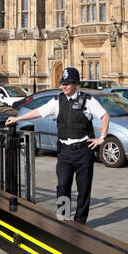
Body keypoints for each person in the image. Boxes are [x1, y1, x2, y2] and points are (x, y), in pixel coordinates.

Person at [7, 67, 109, 225]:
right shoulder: (57, 101)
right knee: (63, 186)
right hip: (65, 151)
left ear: (76, 84)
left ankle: (80, 223)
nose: (64, 86)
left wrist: (101, 138)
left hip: (83, 150)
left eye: (67, 84)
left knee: (83, 189)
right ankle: (63, 218)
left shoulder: (87, 100)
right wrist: (17, 119)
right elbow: (39, 112)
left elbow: (104, 116)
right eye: (63, 83)